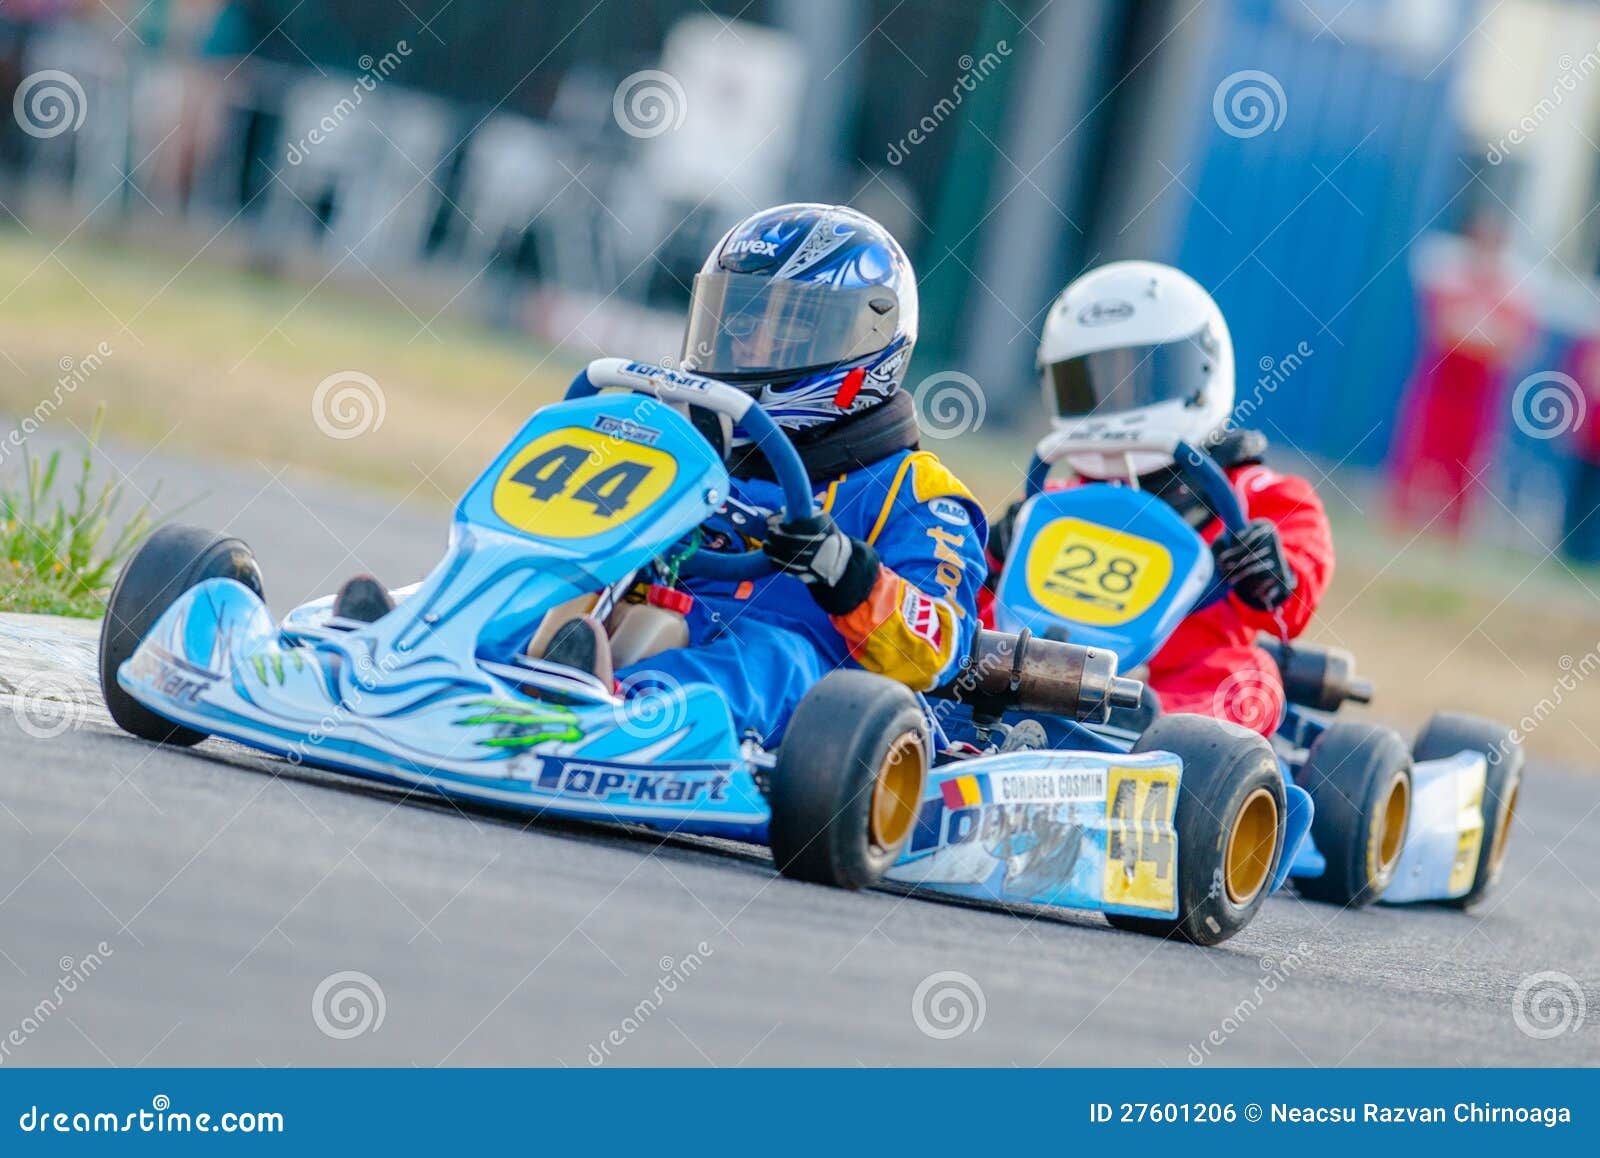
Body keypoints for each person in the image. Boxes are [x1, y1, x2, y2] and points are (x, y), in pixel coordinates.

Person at [337, 203, 987, 744]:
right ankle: (406, 643)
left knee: (769, 658)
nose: (750, 349)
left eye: (783, 332)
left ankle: (630, 718)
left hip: (816, 691)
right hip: (644, 624)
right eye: (737, 323)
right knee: (559, 591)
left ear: (866, 343)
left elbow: (944, 646)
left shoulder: (921, 495)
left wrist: (848, 571)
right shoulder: (682, 438)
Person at [981, 261, 1333, 737]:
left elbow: (1293, 603)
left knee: (1252, 681)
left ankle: (1158, 737)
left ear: (1200, 371)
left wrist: (1271, 573)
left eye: (1137, 381)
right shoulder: (1060, 501)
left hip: (1179, 683)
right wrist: (994, 560)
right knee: (974, 631)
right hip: (1048, 664)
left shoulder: (1259, 496)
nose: (1116, 403)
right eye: (1093, 385)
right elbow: (988, 606)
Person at [1388, 213, 1535, 539]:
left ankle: (1455, 527)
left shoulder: (1510, 292)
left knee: (1469, 461)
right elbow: (1444, 327)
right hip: (1444, 384)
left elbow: (1514, 345)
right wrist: (1483, 335)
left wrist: (1475, 333)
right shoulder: (1451, 279)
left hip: (1478, 394)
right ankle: (1402, 516)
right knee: (1423, 448)